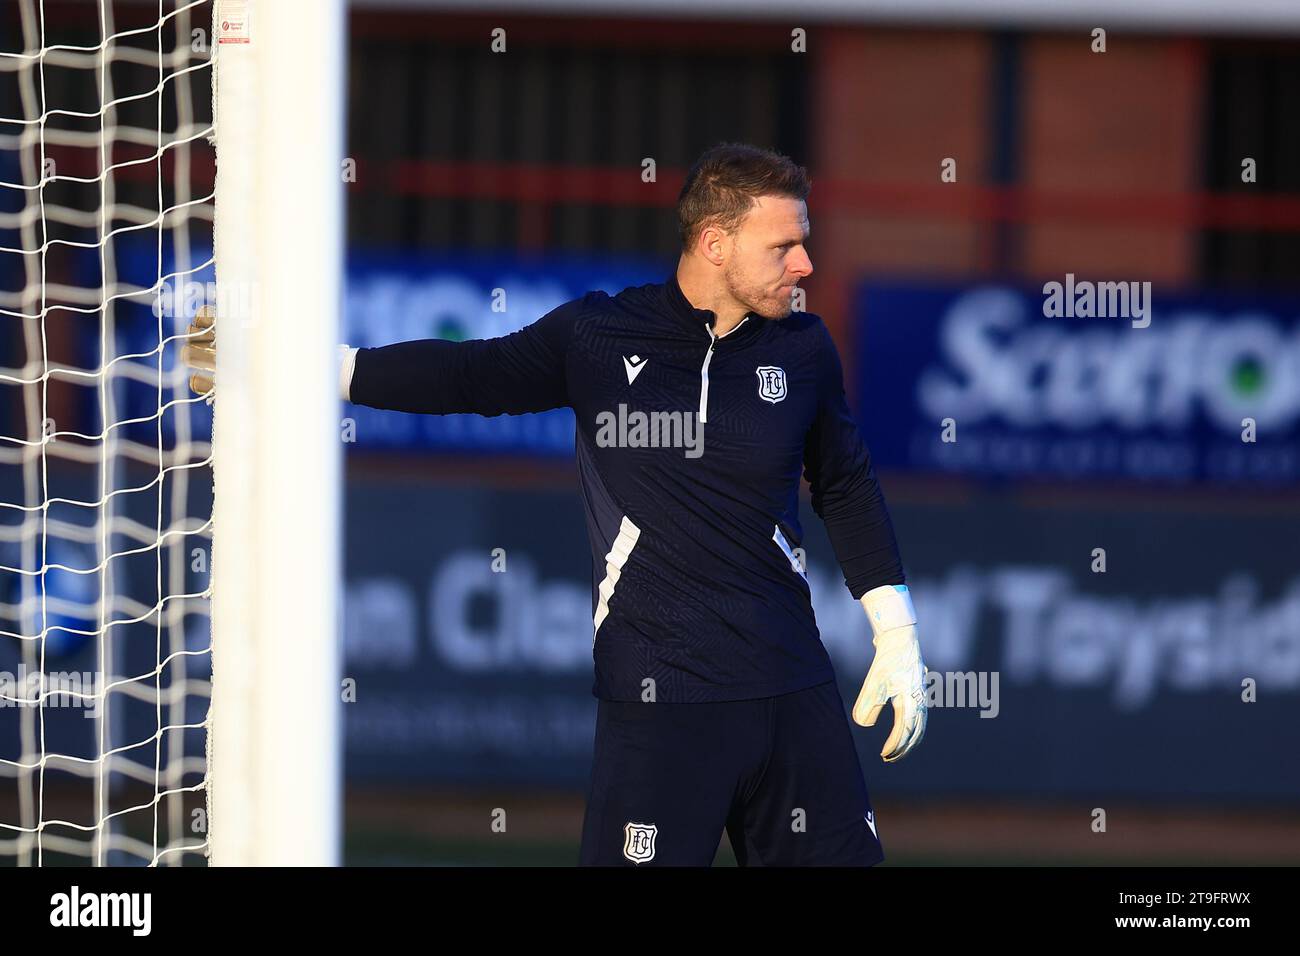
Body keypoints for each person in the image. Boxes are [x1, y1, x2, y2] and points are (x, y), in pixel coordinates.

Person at [185, 142, 927, 866]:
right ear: (714, 243)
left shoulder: (805, 348)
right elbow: (468, 376)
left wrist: (895, 633)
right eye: (784, 246)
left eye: (804, 243)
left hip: (795, 691)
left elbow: (846, 484)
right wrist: (293, 362)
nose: (804, 264)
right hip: (662, 699)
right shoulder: (598, 337)